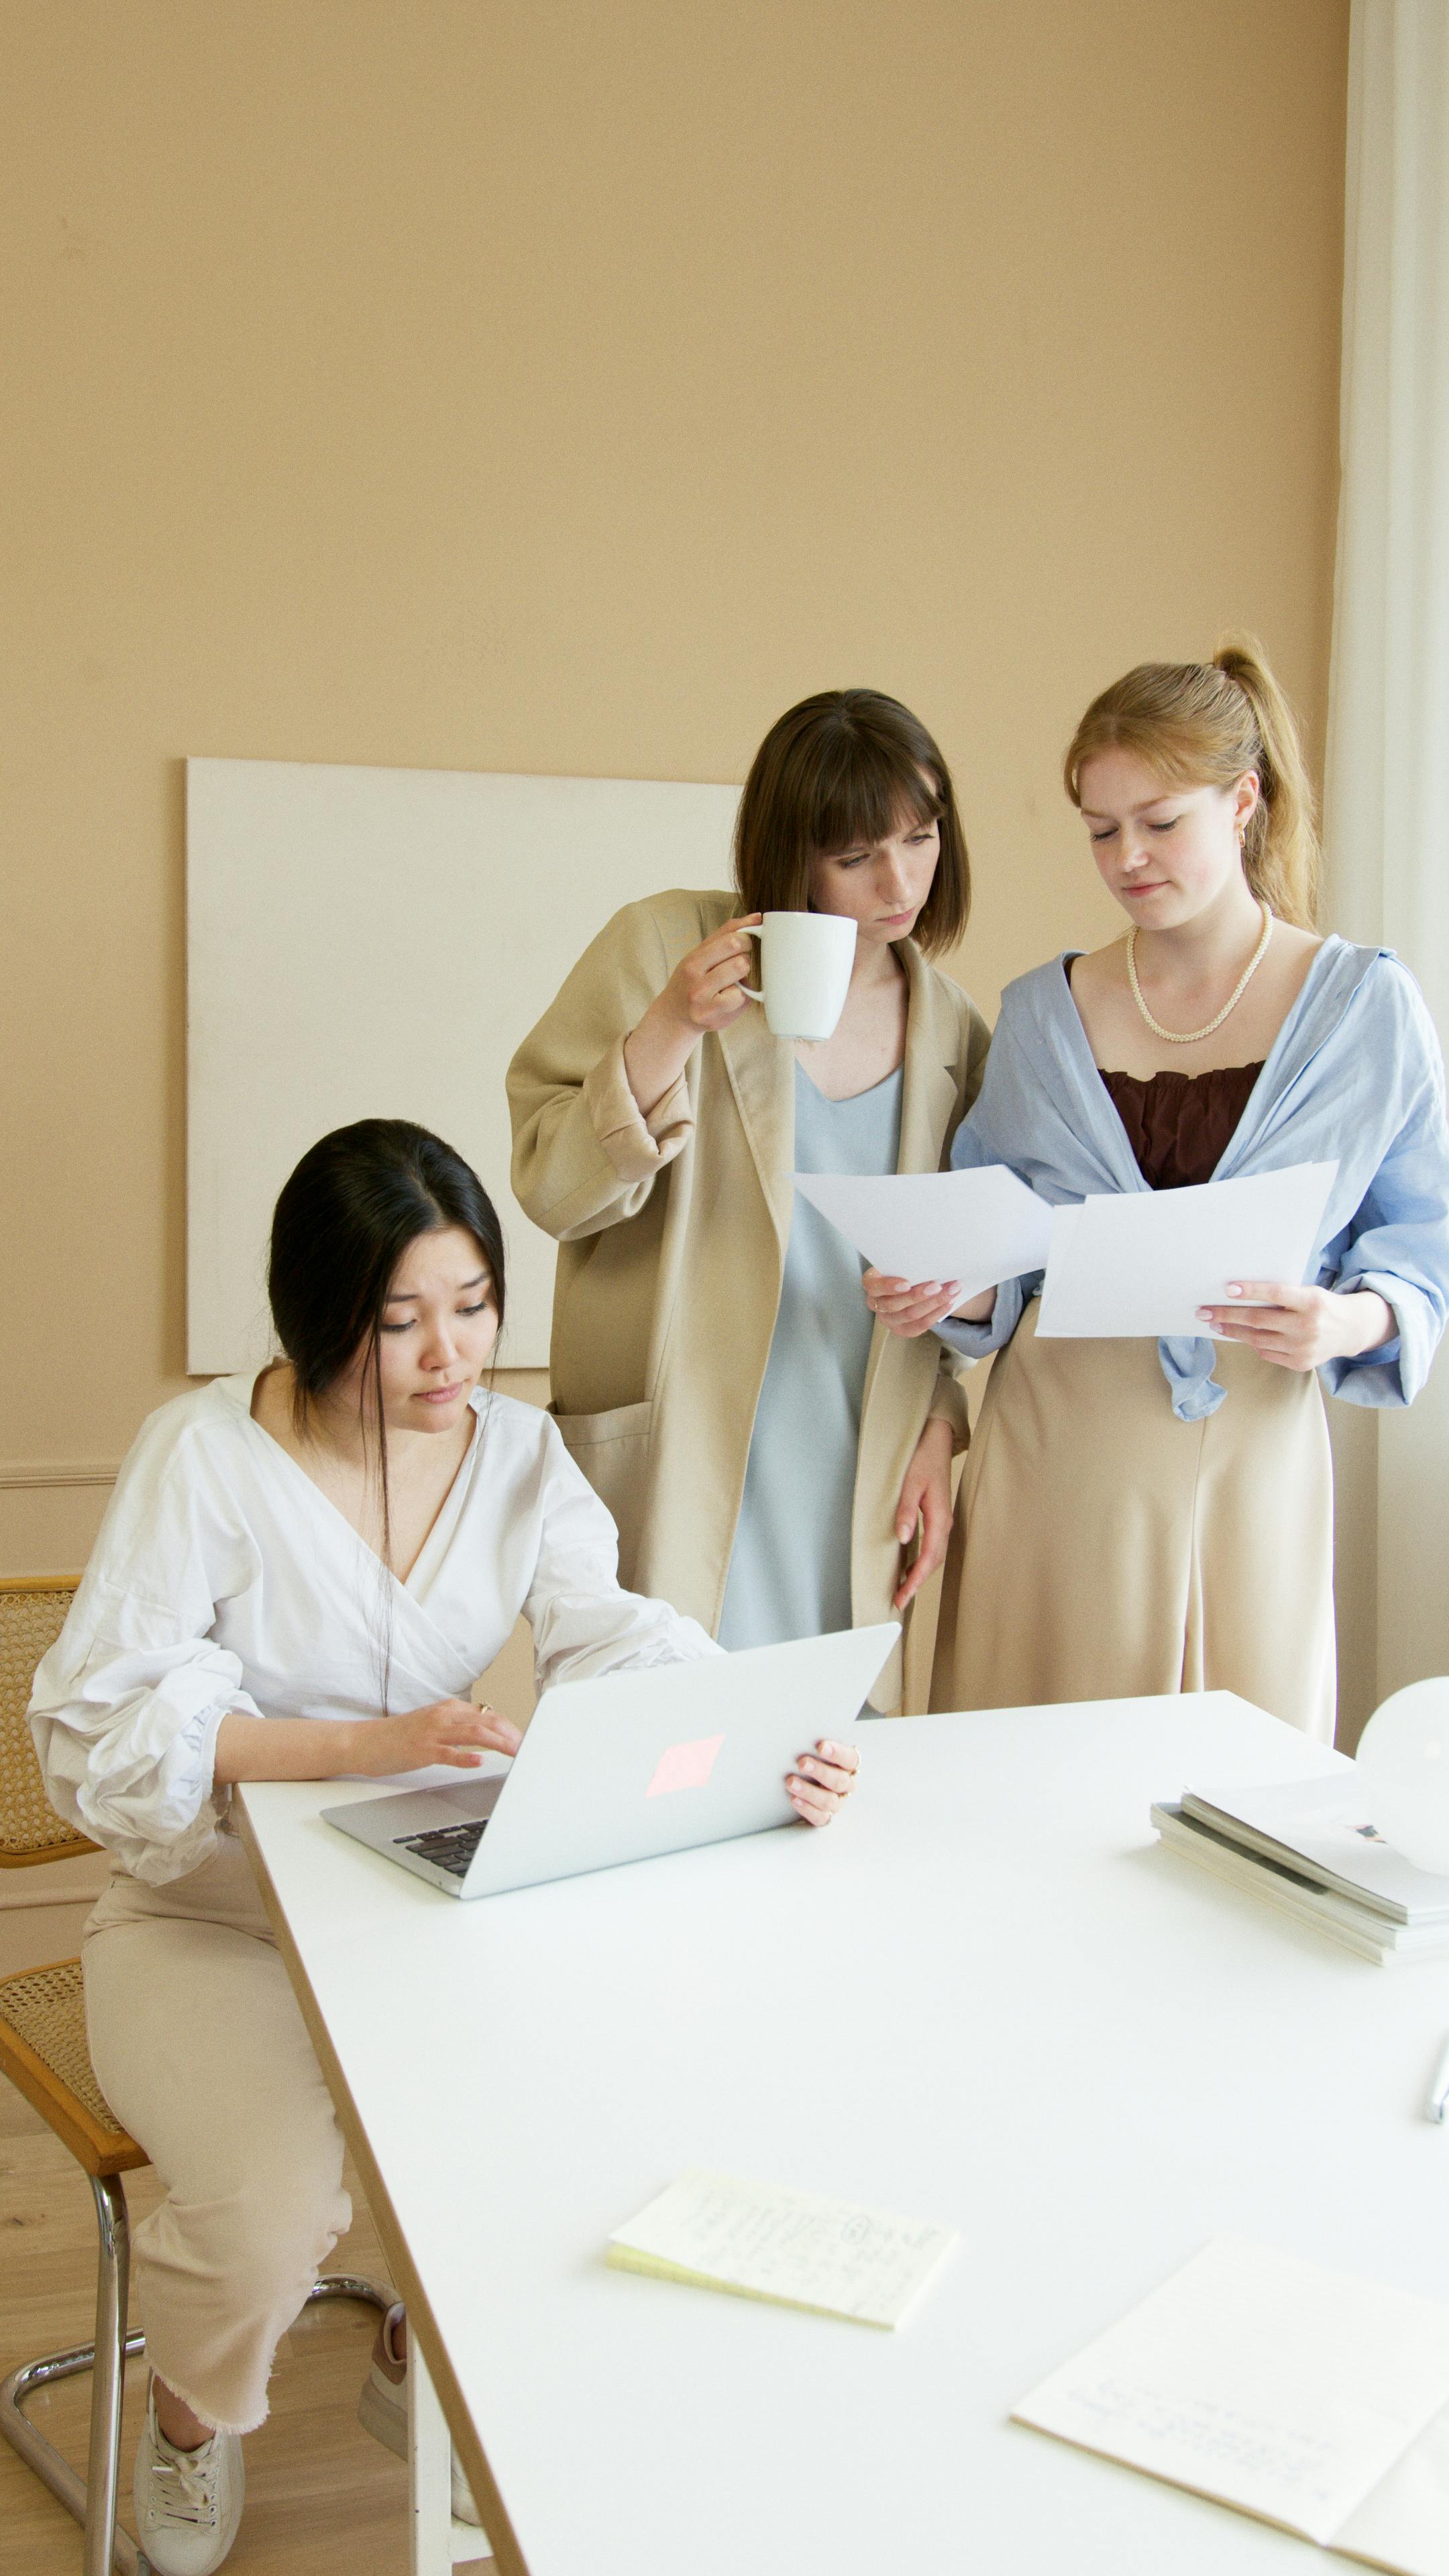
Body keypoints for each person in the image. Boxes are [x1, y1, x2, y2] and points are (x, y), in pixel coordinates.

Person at [29, 1120, 859, 2576]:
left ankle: (422, 2358)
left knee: (579, 2121)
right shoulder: (205, 1456)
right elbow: (107, 1727)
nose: (448, 1355)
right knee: (272, 2211)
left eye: (473, 1306)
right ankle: (188, 2416)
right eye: (400, 1320)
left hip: (428, 1901)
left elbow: (615, 1641)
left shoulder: (519, 1455)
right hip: (209, 1918)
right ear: (320, 1314)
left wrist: (760, 1744)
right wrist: (362, 1747)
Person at [865, 639, 1449, 1738]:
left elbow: (1426, 1242)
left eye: (1160, 822)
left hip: (1256, 1463)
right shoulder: (1042, 1015)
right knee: (1031, 1783)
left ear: (1244, 802)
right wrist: (950, 1287)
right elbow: (1007, 1261)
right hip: (1055, 1461)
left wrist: (1347, 1320)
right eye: (1101, 830)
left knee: (1238, 1797)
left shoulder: (1366, 1010)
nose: (1128, 857)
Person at [507, 690, 990, 1714]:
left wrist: (942, 1426)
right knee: (662, 1747)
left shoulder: (954, 1033)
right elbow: (553, 1187)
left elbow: (964, 1283)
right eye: (857, 856)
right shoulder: (662, 948)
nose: (900, 882)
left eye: (921, 837)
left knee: (826, 1762)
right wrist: (673, 1026)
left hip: (854, 1468)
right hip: (687, 1455)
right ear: (791, 855)